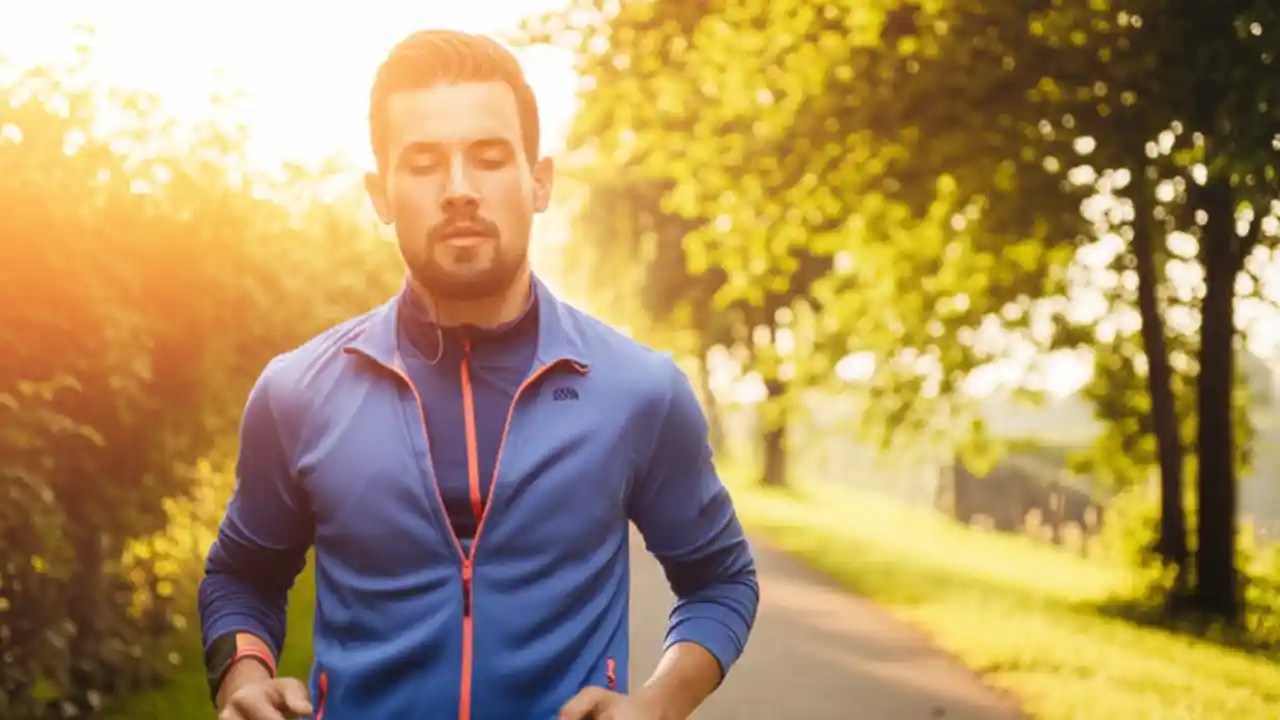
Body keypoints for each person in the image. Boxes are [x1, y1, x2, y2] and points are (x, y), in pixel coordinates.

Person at [197, 28, 759, 720]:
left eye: (489, 159)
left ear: (539, 181)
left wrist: (656, 705)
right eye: (425, 163)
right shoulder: (295, 393)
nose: (459, 190)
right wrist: (244, 677)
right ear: (381, 193)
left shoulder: (638, 390)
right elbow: (241, 576)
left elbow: (720, 579)